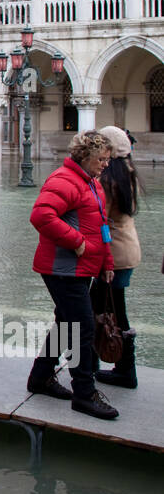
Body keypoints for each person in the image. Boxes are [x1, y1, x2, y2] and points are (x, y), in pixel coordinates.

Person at [28, 130, 118, 420]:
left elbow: (101, 228)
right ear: (85, 156)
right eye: (101, 159)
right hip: (62, 268)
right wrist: (76, 242)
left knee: (66, 324)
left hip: (80, 268)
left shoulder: (91, 183)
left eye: (108, 159)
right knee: (83, 328)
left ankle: (40, 377)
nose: (106, 164)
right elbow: (41, 216)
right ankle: (84, 393)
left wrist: (107, 263)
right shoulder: (64, 180)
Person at [90, 125, 141, 389]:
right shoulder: (129, 173)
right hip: (128, 251)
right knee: (112, 308)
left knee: (100, 310)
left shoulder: (107, 180)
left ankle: (114, 368)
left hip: (114, 255)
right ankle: (117, 365)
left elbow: (98, 218)